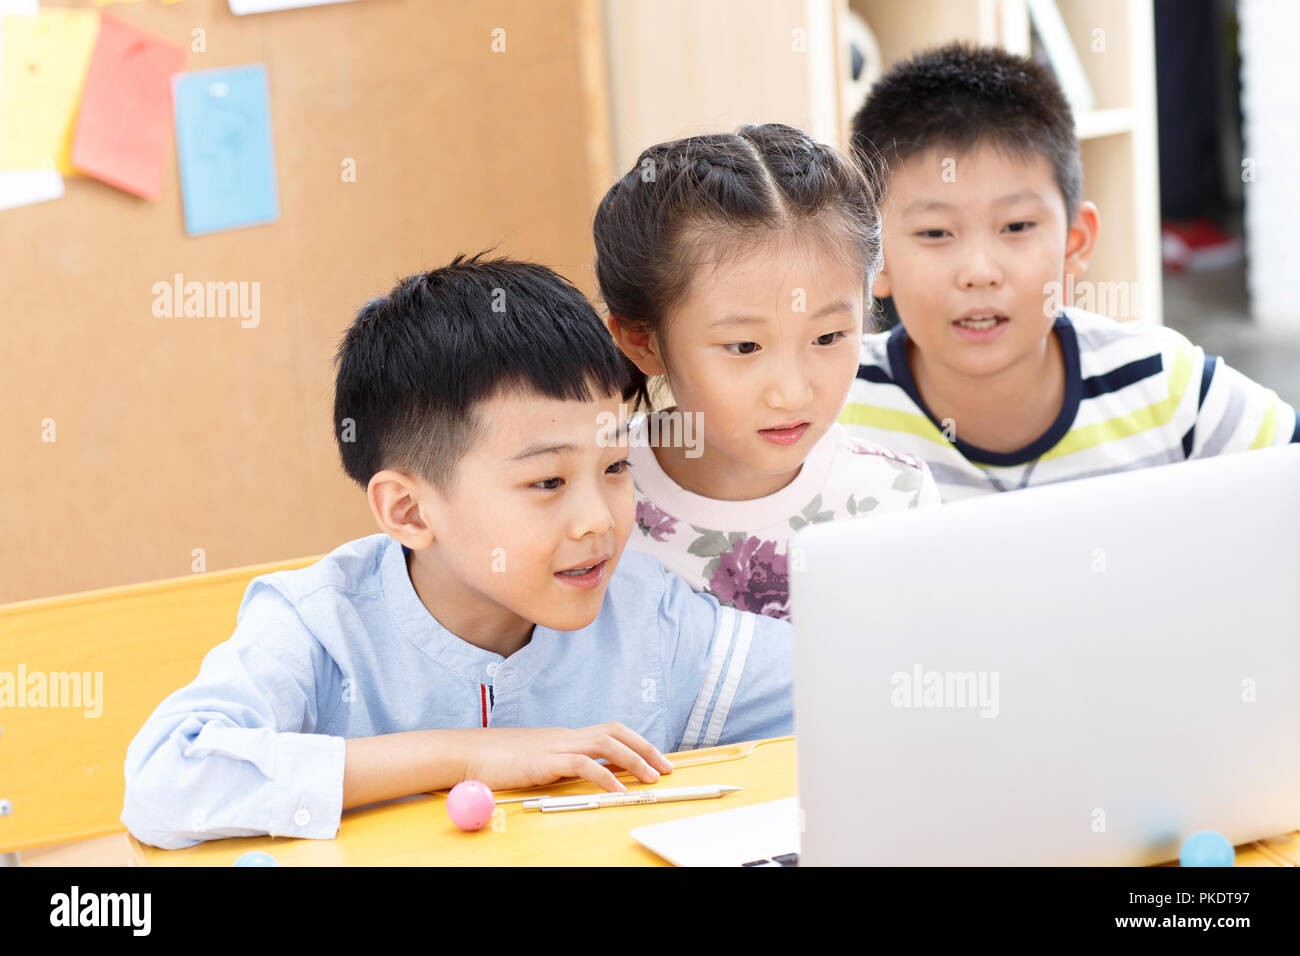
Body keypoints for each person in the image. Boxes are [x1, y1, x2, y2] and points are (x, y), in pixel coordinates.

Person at [121, 254, 793, 849]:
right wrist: (470, 755)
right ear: (410, 511)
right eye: (548, 482)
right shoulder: (319, 624)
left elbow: (850, 681)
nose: (599, 520)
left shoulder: (651, 618)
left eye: (615, 467)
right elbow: (165, 780)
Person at [840, 43, 1298, 500]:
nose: (979, 272)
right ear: (873, 255)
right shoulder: (836, 406)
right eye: (936, 233)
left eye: (1016, 226)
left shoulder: (1164, 386)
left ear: (1074, 244)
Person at [597, 122, 939, 620]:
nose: (791, 394)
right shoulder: (593, 501)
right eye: (744, 346)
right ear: (642, 341)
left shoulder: (893, 497)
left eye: (827, 338)